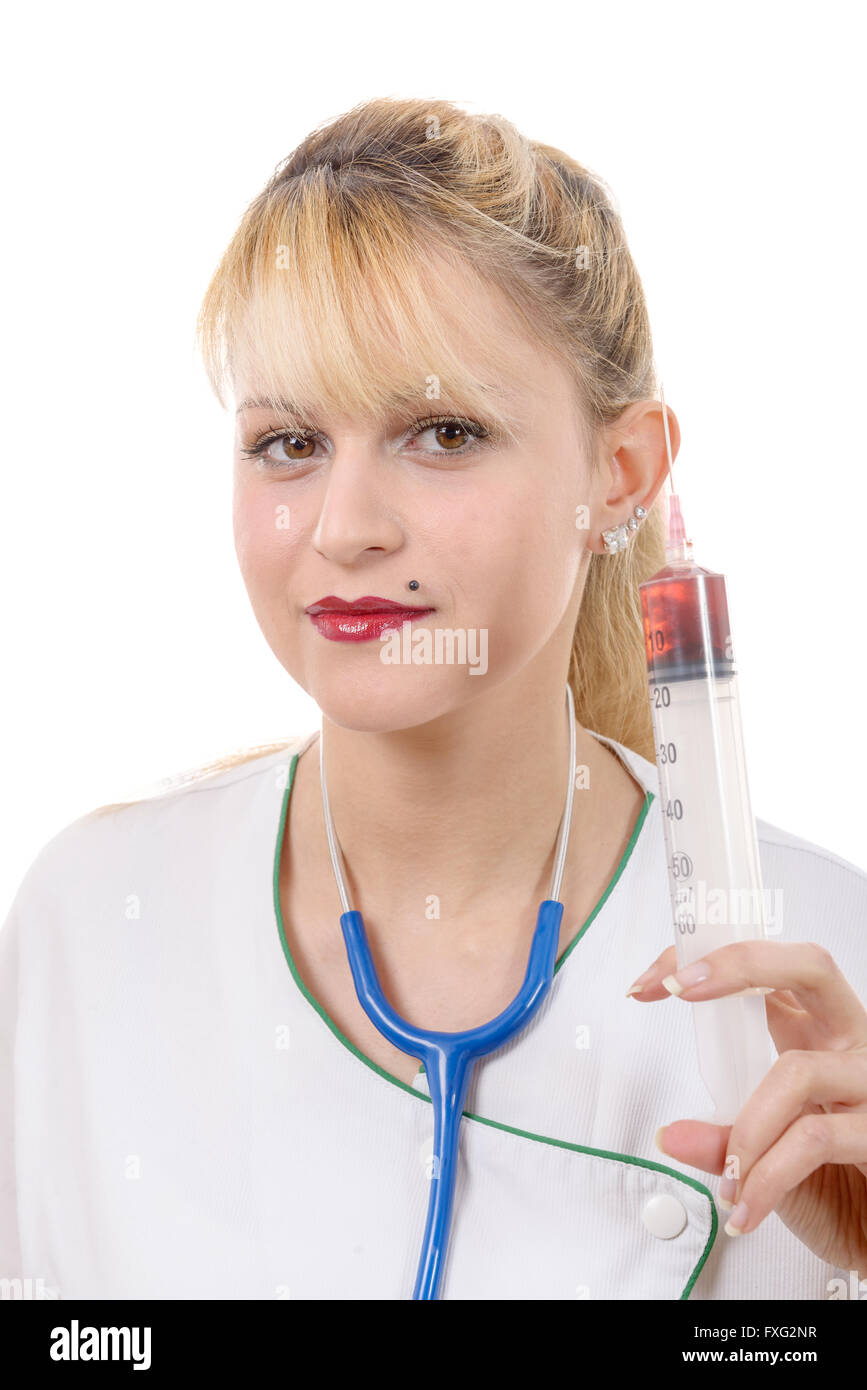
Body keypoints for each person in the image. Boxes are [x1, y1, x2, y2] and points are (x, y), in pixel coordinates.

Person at [2, 96, 865, 1302]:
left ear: (620, 476)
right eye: (290, 443)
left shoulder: (831, 968)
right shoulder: (85, 932)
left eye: (443, 431)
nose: (347, 528)